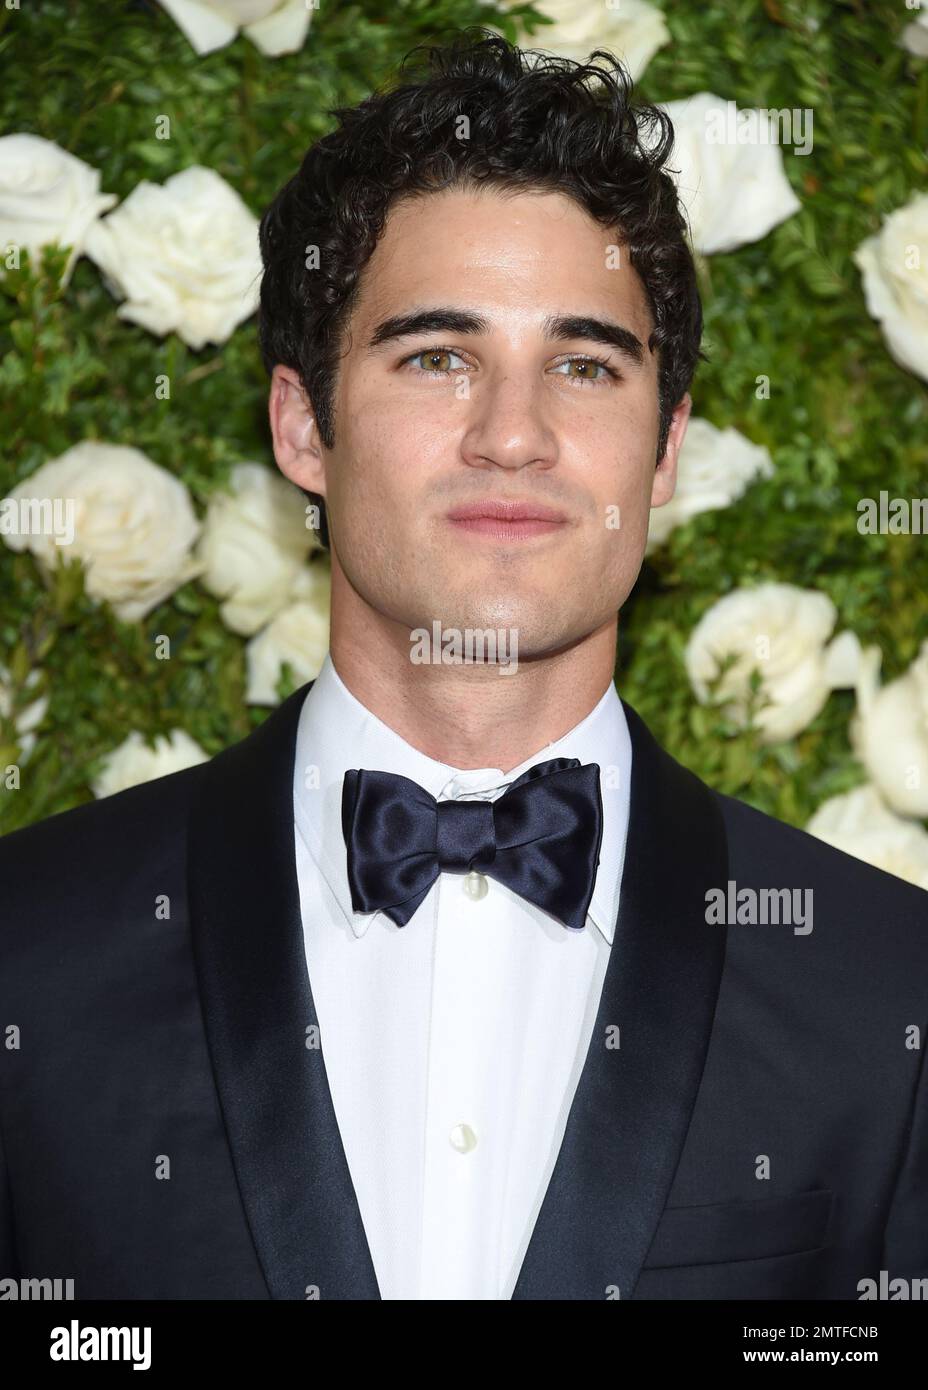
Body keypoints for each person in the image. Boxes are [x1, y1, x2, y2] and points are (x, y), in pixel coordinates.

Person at [1, 30, 926, 1303]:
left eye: (585, 365)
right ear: (301, 425)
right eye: (437, 356)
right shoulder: (28, 951)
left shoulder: (886, 984)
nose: (512, 433)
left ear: (662, 457)